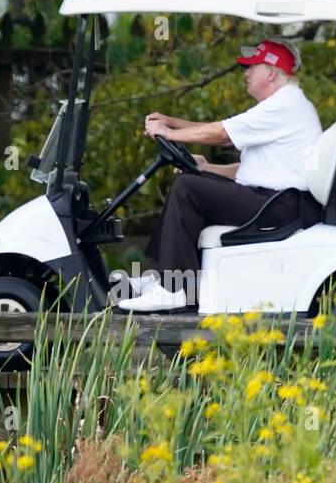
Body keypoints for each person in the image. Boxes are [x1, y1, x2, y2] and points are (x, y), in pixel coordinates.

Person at [116, 38, 325, 312]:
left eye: (252, 67)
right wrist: (204, 164)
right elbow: (248, 166)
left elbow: (222, 133)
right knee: (193, 181)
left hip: (282, 206)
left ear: (272, 72)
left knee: (188, 188)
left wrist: (170, 133)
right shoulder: (283, 106)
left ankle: (173, 289)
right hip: (278, 201)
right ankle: (170, 279)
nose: (245, 73)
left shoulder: (283, 105)